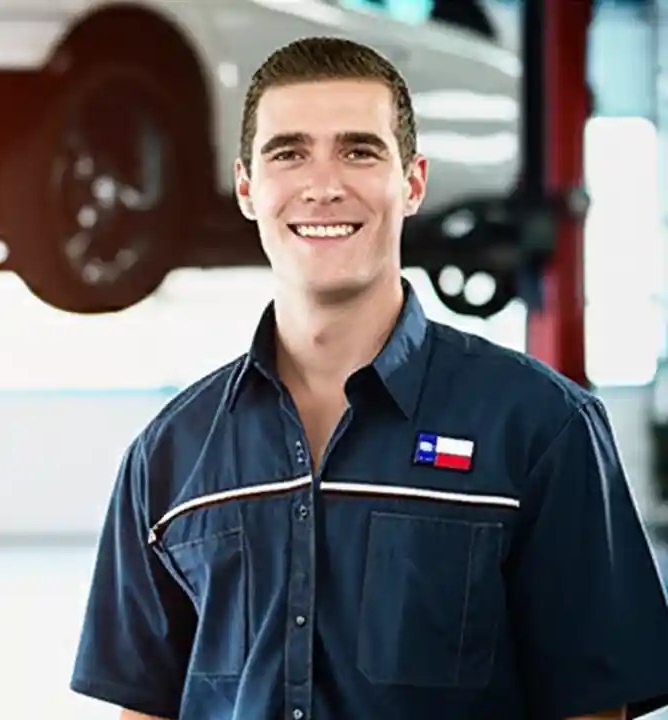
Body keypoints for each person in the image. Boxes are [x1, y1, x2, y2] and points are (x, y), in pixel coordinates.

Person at [69, 36, 668, 720]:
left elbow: (591, 708)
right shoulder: (167, 458)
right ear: (246, 187)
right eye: (289, 153)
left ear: (412, 182)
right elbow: (142, 707)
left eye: (359, 150)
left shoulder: (540, 428)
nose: (324, 186)